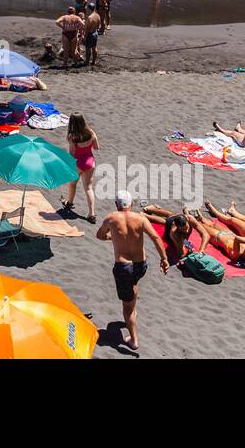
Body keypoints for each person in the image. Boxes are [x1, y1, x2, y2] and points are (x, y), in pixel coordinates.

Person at [95, 191, 167, 352]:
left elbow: (99, 235)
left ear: (117, 205)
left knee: (127, 309)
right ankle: (133, 297)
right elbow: (155, 237)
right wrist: (164, 259)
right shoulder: (141, 218)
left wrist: (112, 237)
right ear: (132, 204)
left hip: (123, 268)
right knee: (134, 282)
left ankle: (133, 341)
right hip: (141, 265)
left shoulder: (111, 218)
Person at [64, 114, 98, 223]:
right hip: (89, 163)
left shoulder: (72, 137)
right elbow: (97, 147)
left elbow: (72, 154)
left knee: (72, 184)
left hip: (78, 164)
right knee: (88, 188)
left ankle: (69, 203)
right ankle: (92, 214)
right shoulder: (91, 133)